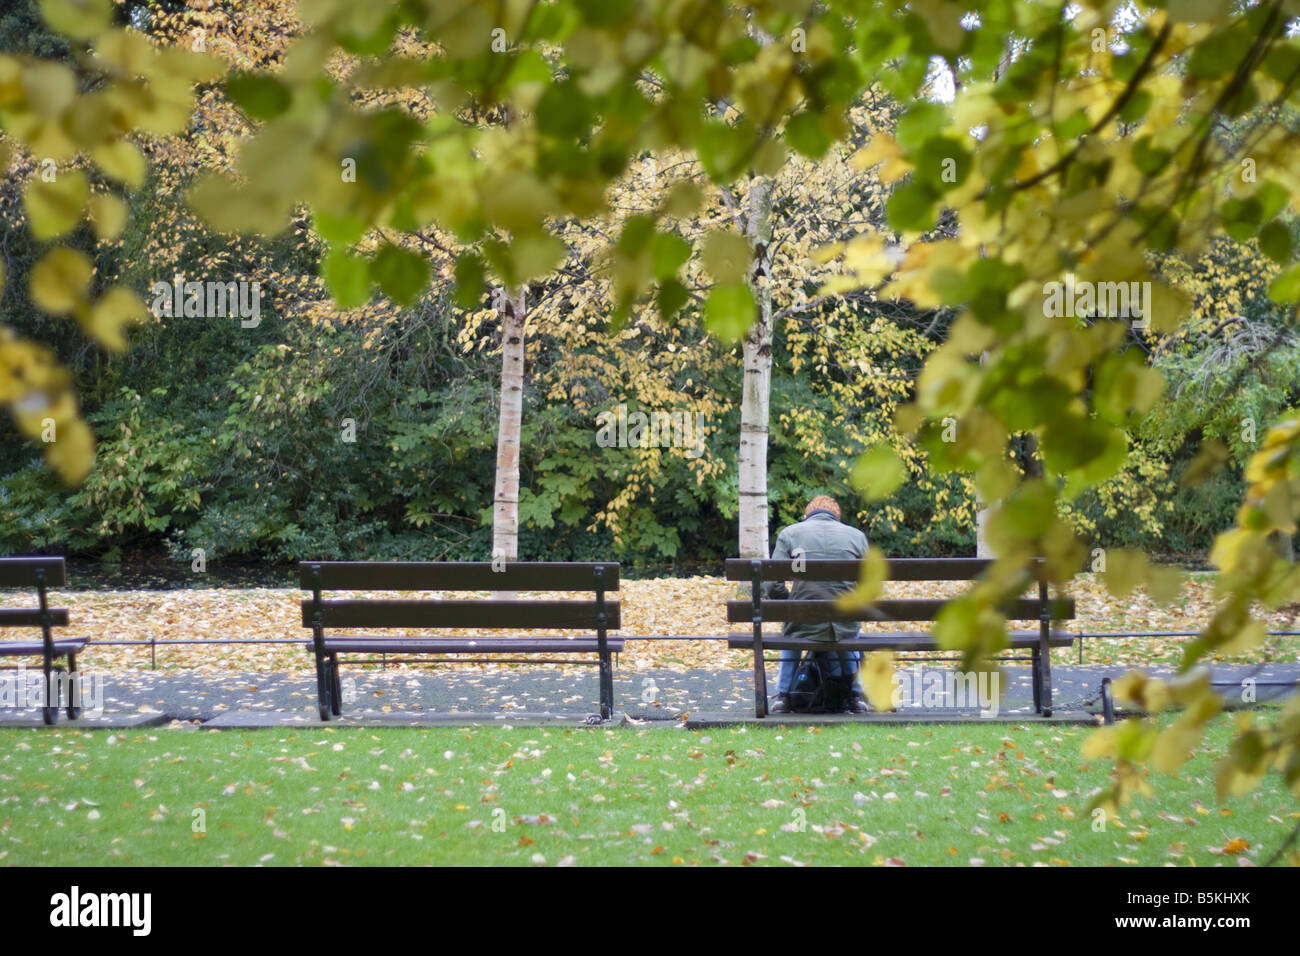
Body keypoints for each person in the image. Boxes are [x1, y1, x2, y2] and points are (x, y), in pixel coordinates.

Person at [767, 495, 870, 714]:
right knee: (849, 630)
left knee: (791, 632)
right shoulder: (857, 536)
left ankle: (784, 696)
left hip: (803, 618)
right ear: (837, 516)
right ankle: (854, 695)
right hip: (844, 620)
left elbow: (772, 584)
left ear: (807, 515)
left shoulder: (790, 534)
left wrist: (789, 604)